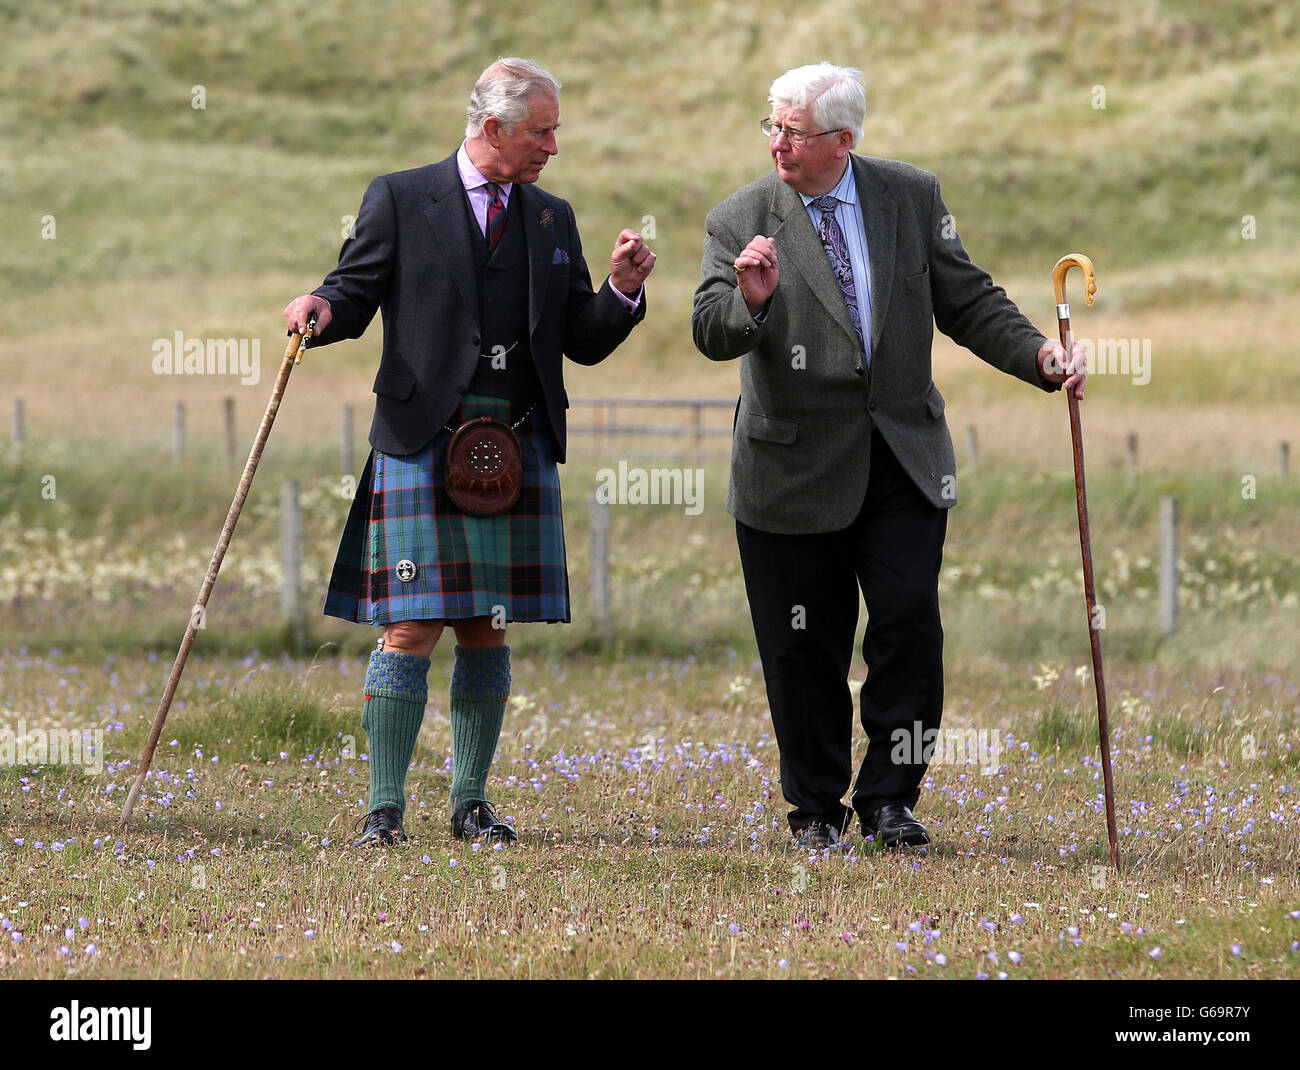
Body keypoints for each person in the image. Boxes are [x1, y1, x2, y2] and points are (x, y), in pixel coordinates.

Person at [692, 63, 1084, 851]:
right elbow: (710, 327)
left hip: (900, 457)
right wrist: (753, 301)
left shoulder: (910, 196)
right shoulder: (740, 217)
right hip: (790, 469)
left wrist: (1039, 354)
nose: (776, 143)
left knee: (908, 624)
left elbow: (968, 299)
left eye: (791, 132)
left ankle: (889, 800)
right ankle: (813, 809)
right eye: (770, 127)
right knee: (804, 643)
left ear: (842, 140)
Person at [284, 58, 654, 847]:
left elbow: (581, 342)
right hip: (424, 436)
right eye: (543, 130)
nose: (555, 144)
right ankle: (384, 809)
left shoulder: (552, 219)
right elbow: (355, 285)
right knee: (411, 627)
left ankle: (470, 804)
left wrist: (620, 292)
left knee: (487, 626)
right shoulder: (399, 196)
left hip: (513, 442)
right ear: (494, 129)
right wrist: (321, 305)